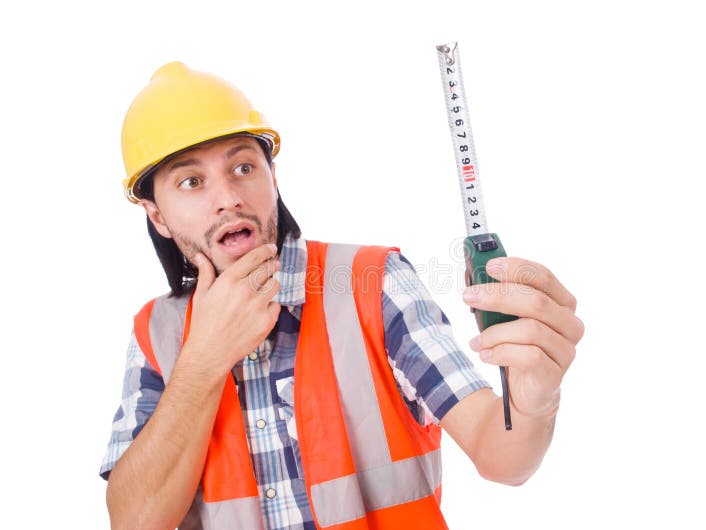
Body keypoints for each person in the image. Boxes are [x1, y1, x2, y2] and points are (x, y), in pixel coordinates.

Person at [100, 61, 584, 530]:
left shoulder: (374, 284)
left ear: (273, 175)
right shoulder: (155, 335)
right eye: (191, 182)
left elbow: (504, 457)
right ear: (157, 215)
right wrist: (203, 361)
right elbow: (133, 521)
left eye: (244, 167)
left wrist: (534, 403)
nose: (228, 197)